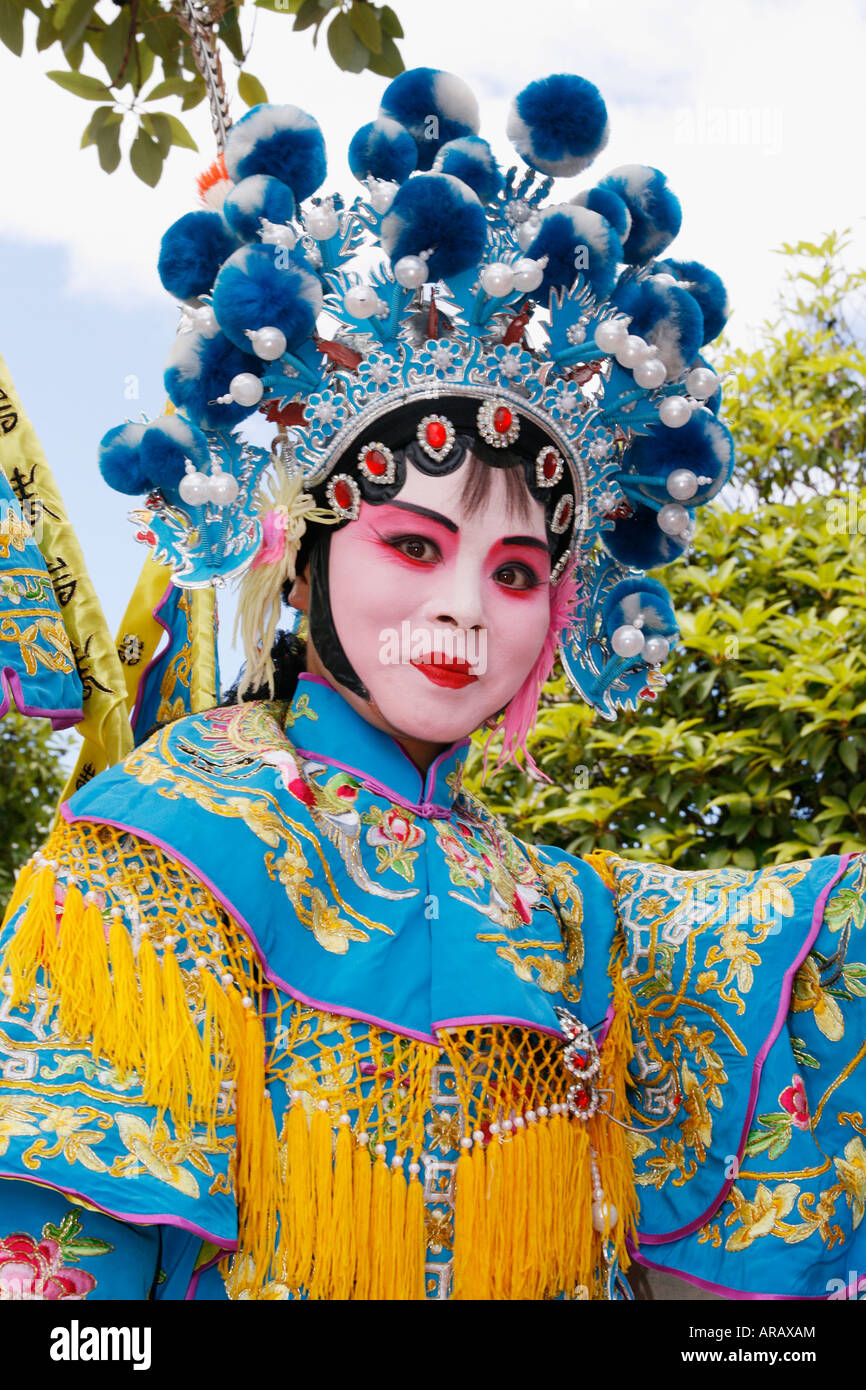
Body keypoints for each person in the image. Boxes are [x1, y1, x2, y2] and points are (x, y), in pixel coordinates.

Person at [0, 67, 863, 1302]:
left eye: (515, 571)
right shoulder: (152, 852)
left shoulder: (568, 911)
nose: (462, 606)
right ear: (299, 569)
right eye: (413, 546)